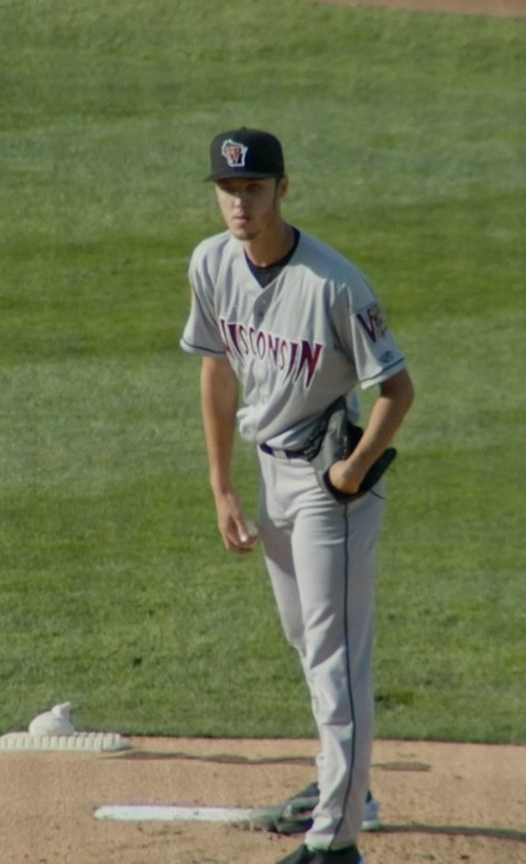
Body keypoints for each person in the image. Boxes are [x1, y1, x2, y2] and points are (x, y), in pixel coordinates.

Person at [180, 127, 414, 864]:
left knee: (336, 658)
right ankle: (345, 789)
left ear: (284, 188)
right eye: (228, 189)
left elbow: (397, 390)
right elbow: (216, 371)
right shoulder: (212, 264)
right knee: (308, 643)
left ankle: (337, 842)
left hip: (327, 488)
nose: (240, 203)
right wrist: (221, 485)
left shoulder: (334, 282)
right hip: (268, 473)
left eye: (254, 189)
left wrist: (350, 473)